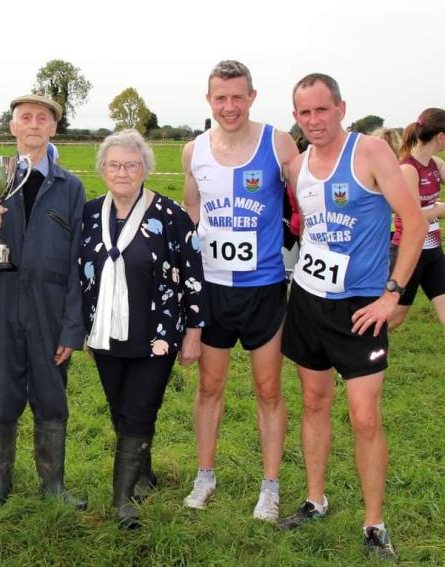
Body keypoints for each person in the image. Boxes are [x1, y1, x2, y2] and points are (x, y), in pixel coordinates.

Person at [277, 73, 426, 562]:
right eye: (305, 113)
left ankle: (374, 524)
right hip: (308, 299)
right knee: (314, 402)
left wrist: (392, 295)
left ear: (341, 108)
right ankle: (315, 500)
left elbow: (416, 222)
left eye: (322, 110)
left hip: (362, 307)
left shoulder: (370, 154)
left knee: (364, 417)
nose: (314, 121)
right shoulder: (296, 165)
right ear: (295, 117)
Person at [181, 60, 298, 522]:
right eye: (220, 97)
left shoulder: (278, 142)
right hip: (213, 290)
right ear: (209, 100)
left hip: (264, 288)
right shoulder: (193, 151)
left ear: (252, 96)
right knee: (210, 387)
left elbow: (308, 195)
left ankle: (270, 487)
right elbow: (191, 212)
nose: (229, 106)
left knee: (268, 389)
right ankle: (204, 475)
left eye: (237, 96)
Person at [0, 94, 86, 509]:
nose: (33, 124)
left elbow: (77, 262)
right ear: (12, 127)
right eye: (24, 118)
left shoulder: (70, 187)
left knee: (51, 395)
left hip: (49, 307)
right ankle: (2, 483)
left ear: (53, 128)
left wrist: (72, 326)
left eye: (42, 118)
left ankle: (53, 484)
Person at [80, 129, 207, 528]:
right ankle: (144, 474)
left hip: (157, 334)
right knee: (122, 412)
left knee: (139, 411)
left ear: (145, 169)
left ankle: (123, 502)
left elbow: (194, 275)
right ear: (102, 169)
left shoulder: (171, 215)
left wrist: (194, 333)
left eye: (131, 165)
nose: (122, 172)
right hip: (105, 335)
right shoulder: (88, 213)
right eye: (114, 164)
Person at [386, 109, 445, 330]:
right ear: (440, 137)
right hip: (408, 251)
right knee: (393, 318)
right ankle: (356, 350)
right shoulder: (408, 168)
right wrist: (439, 210)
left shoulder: (435, 164)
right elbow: (412, 216)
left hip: (432, 252)